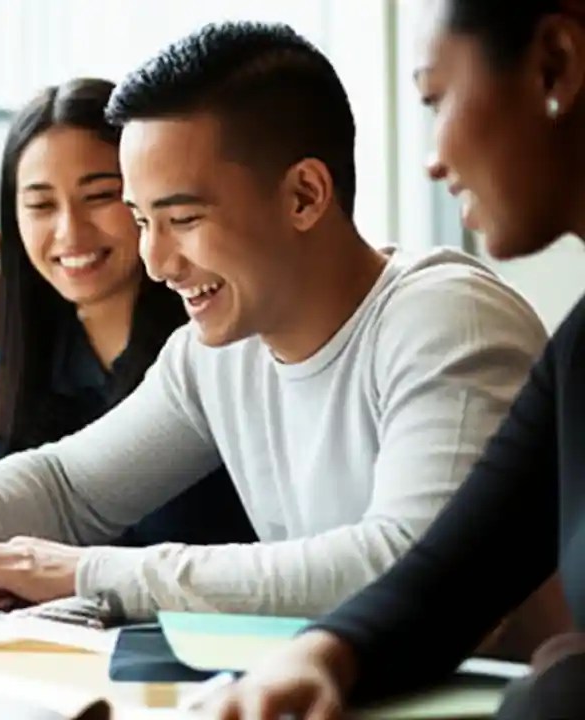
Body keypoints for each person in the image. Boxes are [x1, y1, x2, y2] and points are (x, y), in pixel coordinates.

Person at [0, 21, 548, 622]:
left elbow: (404, 560)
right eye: (143, 219)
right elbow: (69, 484)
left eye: (181, 218)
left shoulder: (444, 319)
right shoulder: (217, 355)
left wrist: (89, 573)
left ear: (306, 196)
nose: (152, 260)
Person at [202, 2, 585, 717]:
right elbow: (459, 568)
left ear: (555, 65)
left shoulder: (450, 313)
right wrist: (326, 654)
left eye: (436, 99)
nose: (434, 157)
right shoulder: (580, 351)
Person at [0, 77, 255, 550]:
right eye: (41, 205)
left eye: (100, 196)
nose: (70, 232)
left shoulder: (218, 337)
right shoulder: (21, 366)